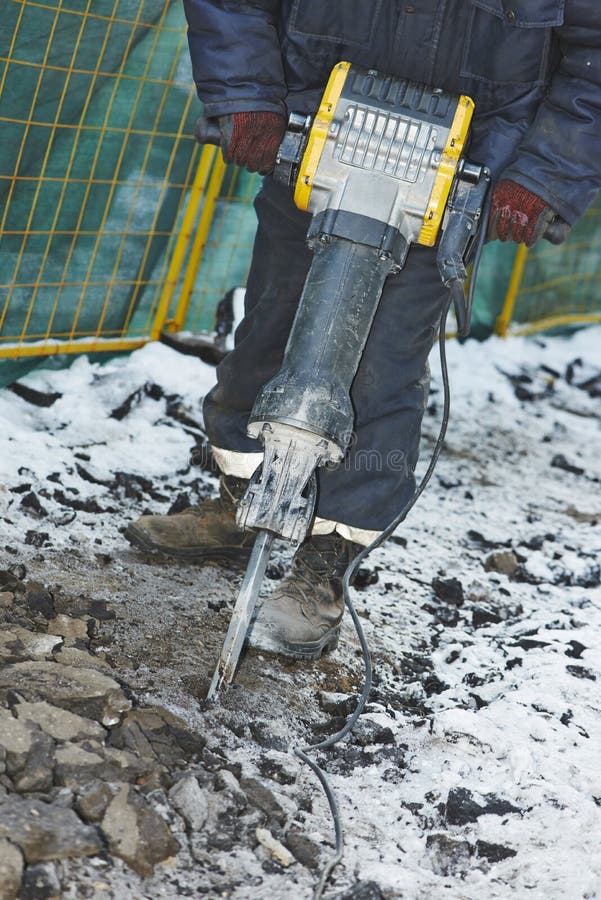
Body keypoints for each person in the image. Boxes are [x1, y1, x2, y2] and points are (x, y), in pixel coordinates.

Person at [126, 1, 601, 659]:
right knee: (269, 332)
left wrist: (543, 172)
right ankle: (240, 494)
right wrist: (250, 97)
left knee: (380, 370)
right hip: (316, 138)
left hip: (455, 179)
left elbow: (590, 56)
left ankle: (326, 560)